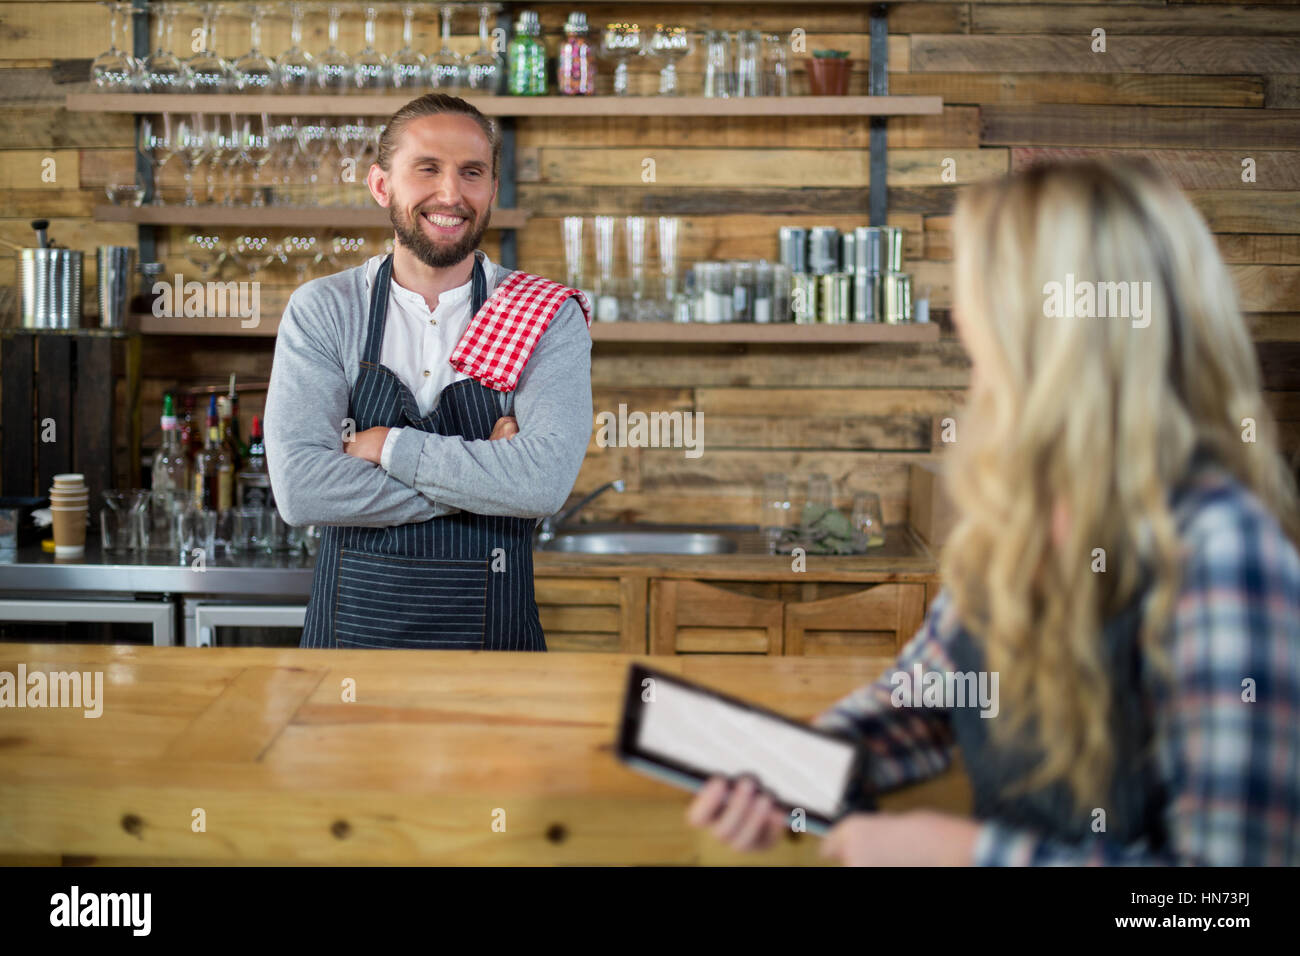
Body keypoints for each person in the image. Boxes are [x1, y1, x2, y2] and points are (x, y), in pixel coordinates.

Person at [688, 159, 1300, 865]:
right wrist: (787, 770)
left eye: (978, 290)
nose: (959, 311)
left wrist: (967, 854)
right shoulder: (1023, 518)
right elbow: (918, 705)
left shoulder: (1220, 549)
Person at [265, 94, 592, 650]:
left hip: (494, 655)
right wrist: (489, 479)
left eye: (472, 173)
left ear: (492, 189)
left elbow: (542, 483)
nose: (450, 194)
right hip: (351, 650)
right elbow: (302, 492)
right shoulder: (325, 309)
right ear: (380, 185)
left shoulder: (545, 313)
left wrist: (390, 446)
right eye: (427, 169)